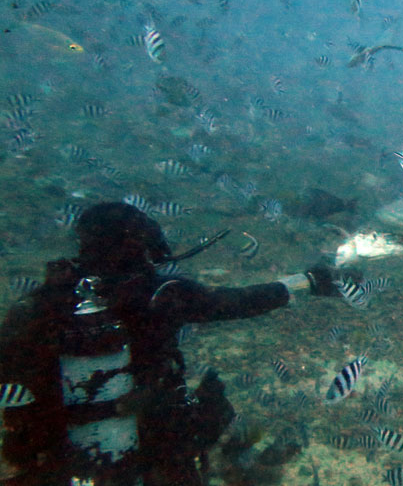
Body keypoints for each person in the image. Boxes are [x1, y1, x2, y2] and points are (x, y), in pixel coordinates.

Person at [0, 203, 344, 486]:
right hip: (150, 453)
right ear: (140, 243)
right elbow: (238, 302)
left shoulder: (43, 303)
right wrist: (308, 282)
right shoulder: (161, 295)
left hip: (56, 463)